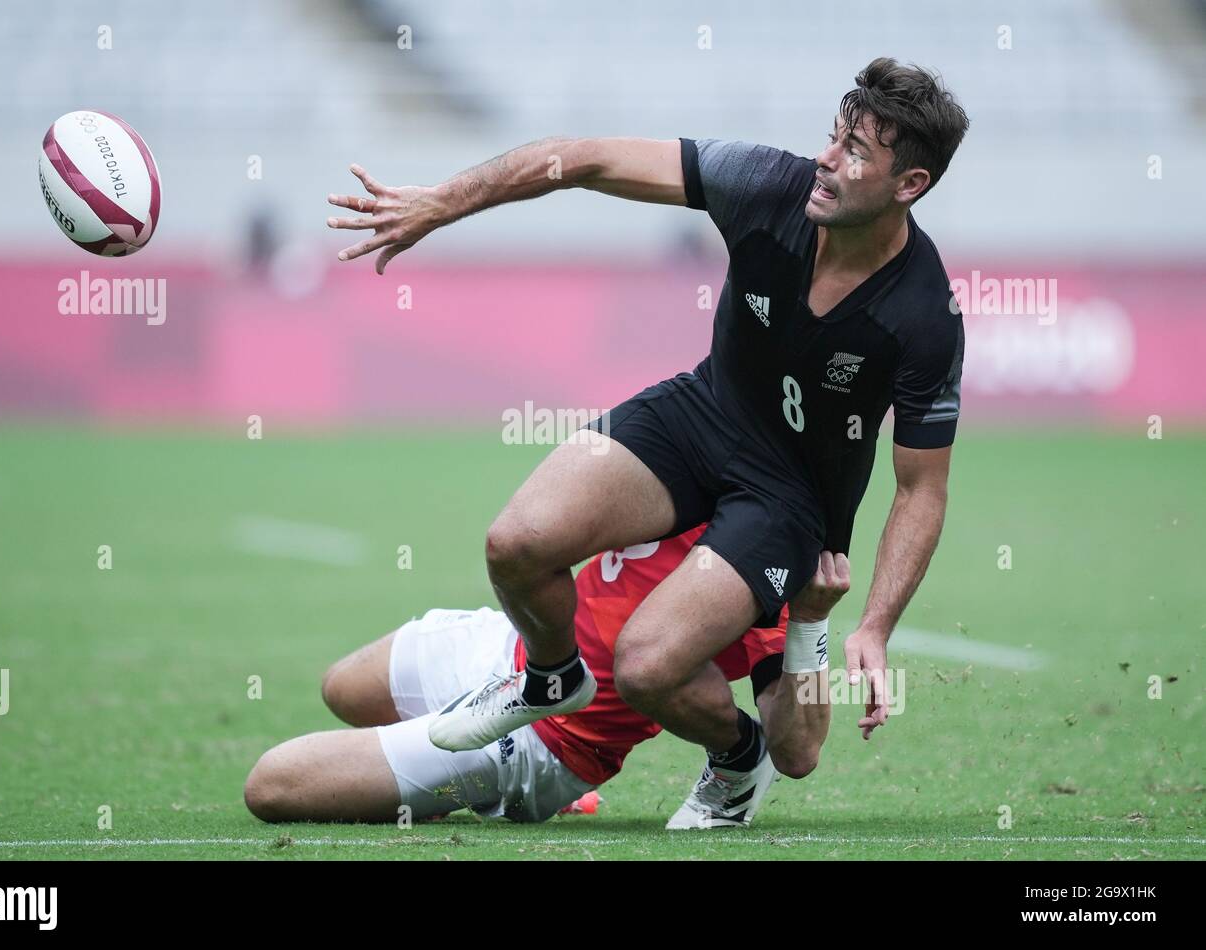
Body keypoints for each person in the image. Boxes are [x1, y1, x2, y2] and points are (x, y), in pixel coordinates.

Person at [328, 58, 967, 810]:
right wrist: (443, 202)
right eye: (833, 137)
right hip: (701, 414)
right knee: (518, 543)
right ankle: (550, 676)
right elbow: (587, 159)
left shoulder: (924, 314)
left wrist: (877, 626)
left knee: (645, 665)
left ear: (909, 185)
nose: (827, 161)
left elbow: (922, 488)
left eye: (856, 151)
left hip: (789, 500)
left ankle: (738, 761)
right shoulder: (765, 183)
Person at [244, 528, 850, 828]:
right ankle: (429, 766)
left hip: (549, 742)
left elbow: (798, 749)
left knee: (273, 785)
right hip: (522, 649)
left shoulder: (768, 562)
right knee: (342, 687)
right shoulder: (691, 447)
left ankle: (465, 779)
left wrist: (812, 622)